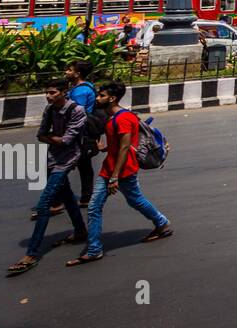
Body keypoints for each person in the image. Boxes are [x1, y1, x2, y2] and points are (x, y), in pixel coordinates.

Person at [65, 81, 171, 267]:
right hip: (111, 168)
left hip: (121, 170)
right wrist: (106, 147)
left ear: (112, 98)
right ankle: (161, 223)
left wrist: (114, 177)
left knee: (123, 201)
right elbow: (120, 146)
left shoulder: (122, 118)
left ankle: (95, 249)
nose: (97, 98)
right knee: (119, 202)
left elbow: (124, 149)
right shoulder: (114, 116)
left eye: (101, 96)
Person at [8, 81, 89, 275]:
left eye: (52, 92)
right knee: (68, 196)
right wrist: (55, 139)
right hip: (53, 157)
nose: (48, 96)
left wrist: (53, 138)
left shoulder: (77, 111)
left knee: (44, 205)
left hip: (69, 159)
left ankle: (32, 253)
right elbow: (40, 134)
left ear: (64, 93)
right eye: (46, 92)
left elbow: (67, 140)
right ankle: (80, 230)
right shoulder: (50, 109)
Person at [65, 60, 96, 208]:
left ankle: (57, 199)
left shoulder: (80, 91)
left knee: (57, 167)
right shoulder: (85, 87)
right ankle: (86, 196)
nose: (66, 72)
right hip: (83, 132)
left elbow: (77, 113)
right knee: (84, 166)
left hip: (78, 133)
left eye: (69, 70)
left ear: (77, 74)